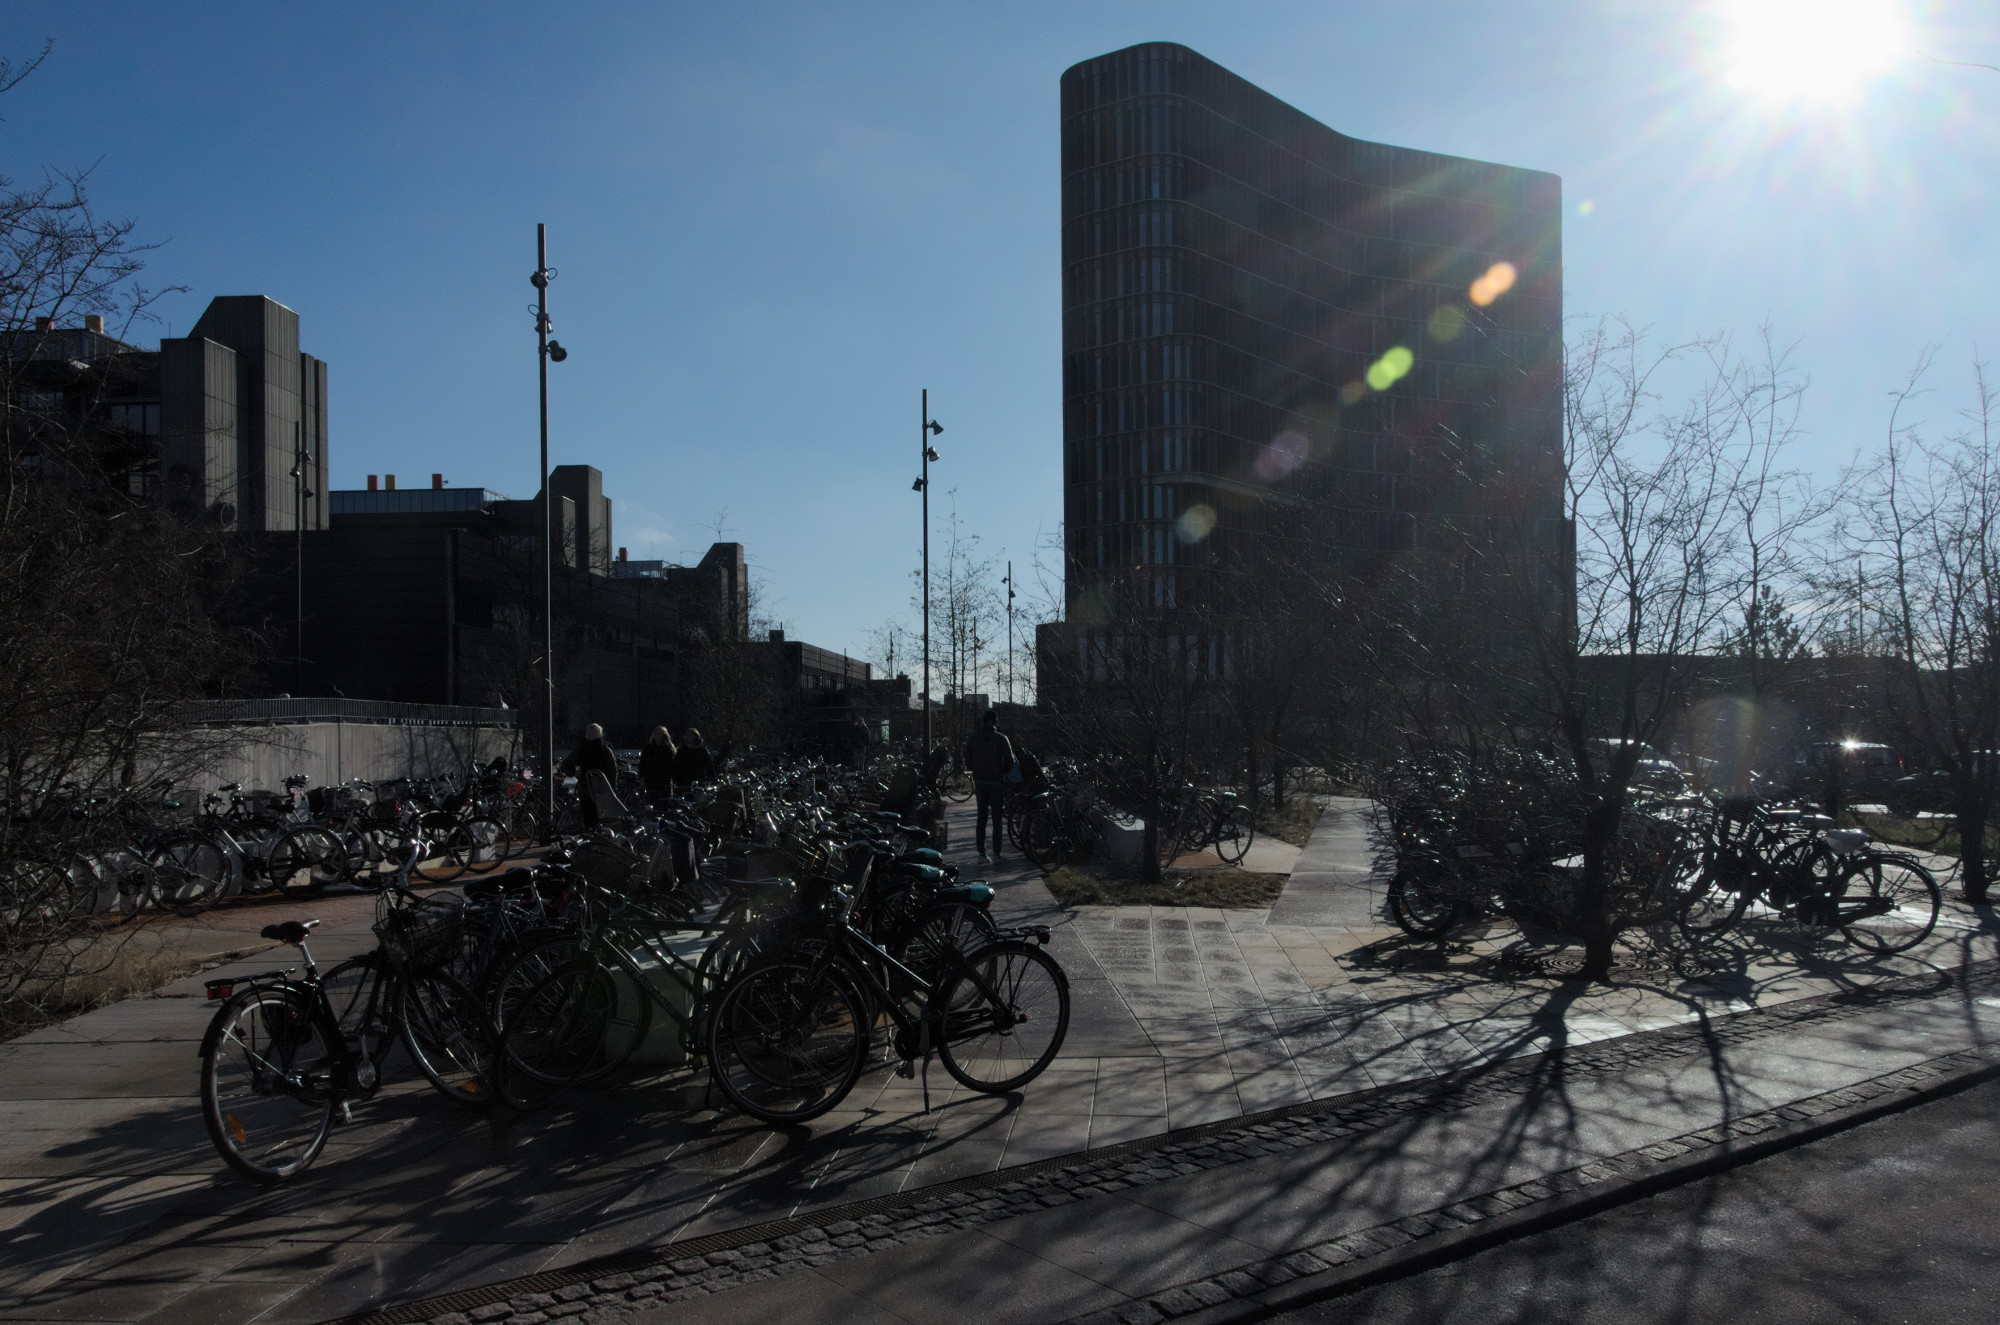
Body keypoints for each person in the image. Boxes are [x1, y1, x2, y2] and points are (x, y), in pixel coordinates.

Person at [963, 709, 1014, 863]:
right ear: (995, 721)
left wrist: (976, 771)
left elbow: (967, 760)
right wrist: (1002, 772)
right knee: (997, 820)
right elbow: (1010, 762)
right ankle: (997, 853)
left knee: (981, 819)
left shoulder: (974, 738)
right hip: (996, 782)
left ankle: (981, 854)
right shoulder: (1001, 739)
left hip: (980, 782)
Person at [559, 722, 619, 827]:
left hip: (597, 790)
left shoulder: (601, 750)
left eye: (592, 733)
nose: (589, 736)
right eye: (588, 733)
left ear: (598, 734)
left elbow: (612, 772)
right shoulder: (589, 750)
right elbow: (612, 772)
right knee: (593, 818)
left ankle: (594, 836)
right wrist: (575, 773)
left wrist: (611, 789)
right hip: (590, 789)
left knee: (595, 819)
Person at [639, 726, 678, 806]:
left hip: (664, 782)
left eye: (659, 733)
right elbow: (642, 764)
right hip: (650, 781)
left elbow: (672, 766)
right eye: (655, 733)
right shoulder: (648, 748)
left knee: (663, 804)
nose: (656, 735)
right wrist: (642, 777)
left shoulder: (668, 749)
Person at [673, 727, 716, 793]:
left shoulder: (702, 750)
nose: (689, 737)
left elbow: (709, 766)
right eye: (687, 735)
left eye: (691, 735)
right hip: (683, 782)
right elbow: (676, 766)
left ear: (695, 737)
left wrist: (713, 779)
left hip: (699, 780)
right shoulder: (681, 750)